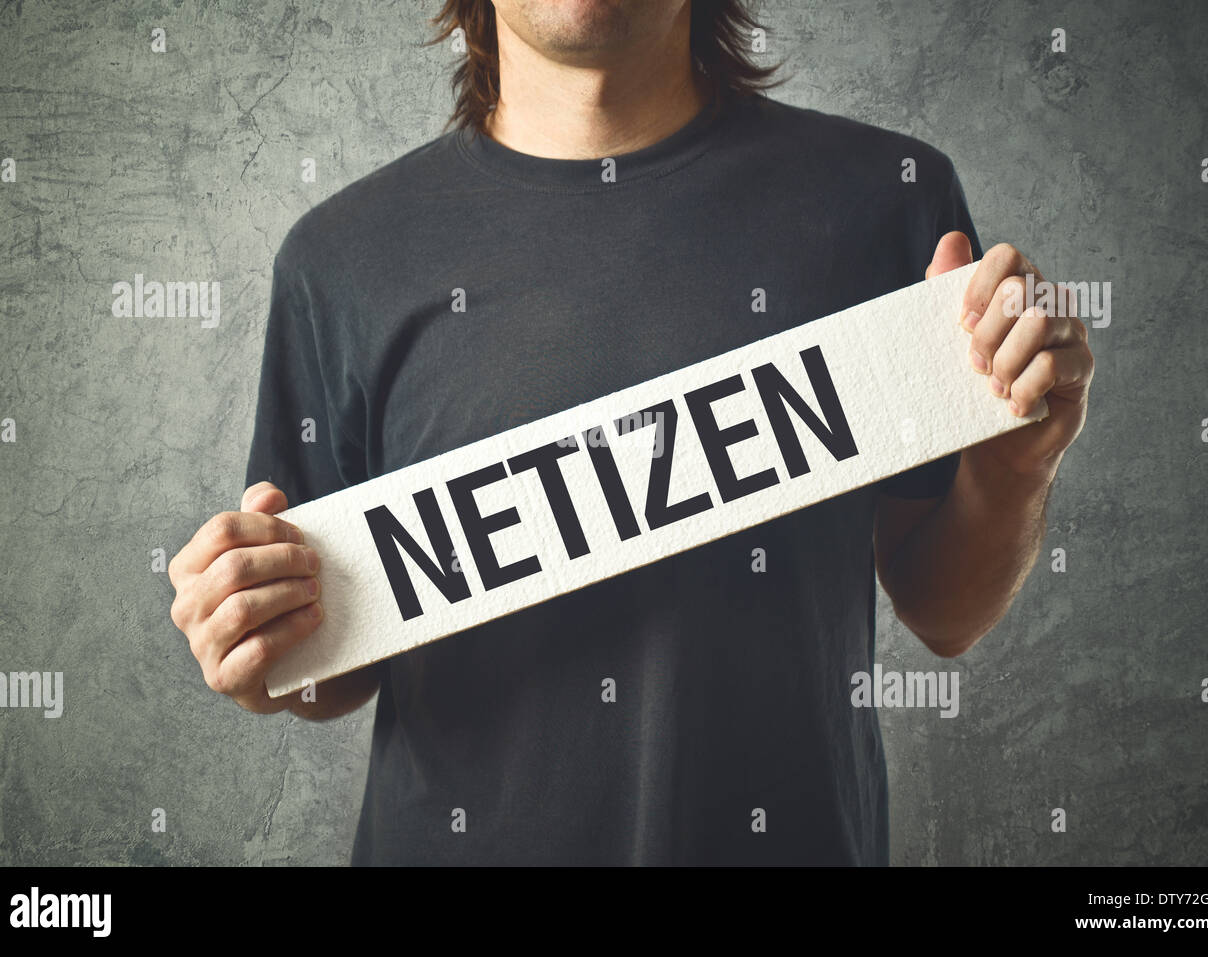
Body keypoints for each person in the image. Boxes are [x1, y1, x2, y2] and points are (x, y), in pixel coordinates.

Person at [167, 0, 1094, 865]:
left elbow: (941, 608)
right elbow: (332, 659)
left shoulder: (888, 196)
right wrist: (258, 639)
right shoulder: (341, 260)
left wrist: (1019, 458)